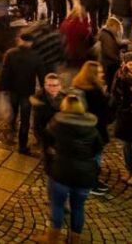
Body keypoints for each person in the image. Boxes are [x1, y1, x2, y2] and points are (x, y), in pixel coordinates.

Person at [39, 95, 103, 244]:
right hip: (84, 175)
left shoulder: (57, 124)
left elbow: (46, 143)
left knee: (57, 205)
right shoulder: (91, 128)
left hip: (61, 172)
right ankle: (74, 240)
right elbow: (98, 150)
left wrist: (50, 163)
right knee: (78, 207)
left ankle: (52, 238)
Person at [0, 32, 46, 155]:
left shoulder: (10, 53)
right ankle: (22, 146)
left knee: (13, 112)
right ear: (31, 43)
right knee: (25, 119)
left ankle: (12, 129)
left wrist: (2, 87)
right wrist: (43, 92)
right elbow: (42, 76)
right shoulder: (36, 56)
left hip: (13, 90)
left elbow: (4, 72)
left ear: (20, 40)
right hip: (27, 92)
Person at [70, 61, 111, 195]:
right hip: (95, 130)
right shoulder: (94, 92)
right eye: (99, 72)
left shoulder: (77, 86)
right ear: (92, 75)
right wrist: (107, 97)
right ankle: (91, 182)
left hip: (82, 129)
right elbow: (103, 113)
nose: (102, 74)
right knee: (95, 156)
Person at [110, 54, 132, 185]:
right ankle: (129, 170)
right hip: (126, 116)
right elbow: (115, 95)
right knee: (126, 145)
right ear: (125, 64)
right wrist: (125, 107)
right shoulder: (120, 77)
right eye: (130, 64)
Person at [30, 73, 64, 161]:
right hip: (47, 138)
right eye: (49, 85)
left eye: (55, 85)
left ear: (60, 86)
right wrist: (46, 144)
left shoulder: (65, 98)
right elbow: (38, 126)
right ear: (45, 85)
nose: (52, 88)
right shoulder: (39, 99)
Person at [97, 17, 127, 92]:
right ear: (114, 26)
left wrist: (124, 44)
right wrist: (120, 60)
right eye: (118, 28)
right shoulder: (106, 35)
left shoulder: (109, 33)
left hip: (110, 62)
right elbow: (109, 51)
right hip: (109, 63)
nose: (119, 31)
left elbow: (115, 44)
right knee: (110, 81)